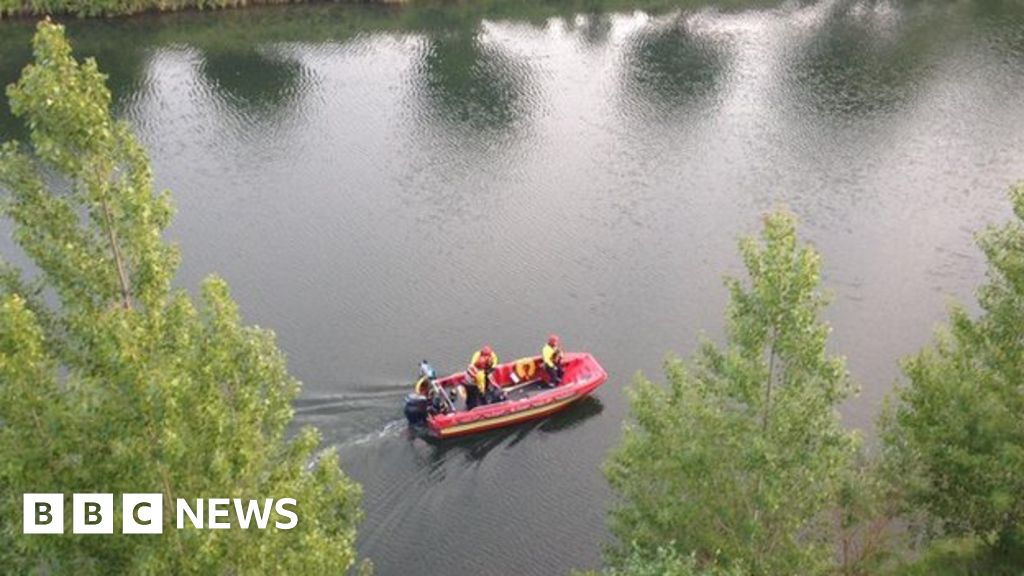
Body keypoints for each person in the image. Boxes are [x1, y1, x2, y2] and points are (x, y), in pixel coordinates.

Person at [466, 345, 499, 409]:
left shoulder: (492, 356)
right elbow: (472, 365)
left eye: (487, 355)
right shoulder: (477, 355)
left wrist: (490, 370)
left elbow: (494, 364)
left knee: (486, 382)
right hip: (477, 373)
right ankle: (482, 395)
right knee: (479, 386)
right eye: (485, 355)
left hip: (486, 371)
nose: (486, 357)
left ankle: (485, 391)